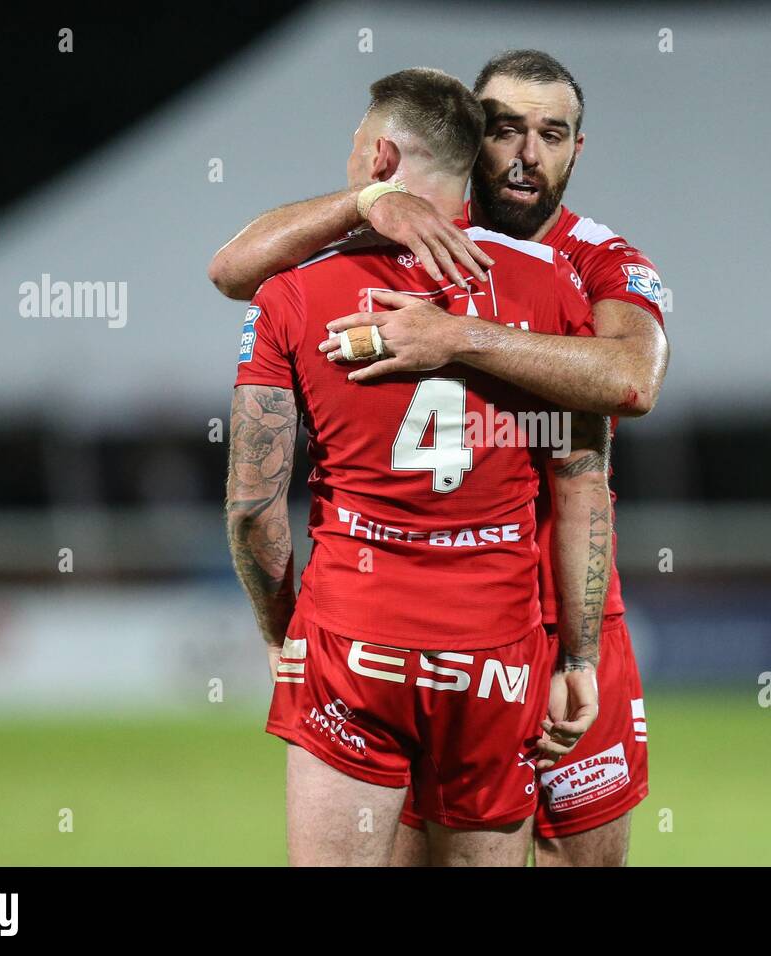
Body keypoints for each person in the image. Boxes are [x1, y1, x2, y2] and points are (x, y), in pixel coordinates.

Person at [210, 50, 667, 866]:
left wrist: (456, 336)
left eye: (551, 134)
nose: (526, 154)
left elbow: (631, 379)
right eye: (505, 130)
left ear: (576, 150)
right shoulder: (444, 249)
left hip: (537, 608)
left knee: (587, 859)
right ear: (471, 140)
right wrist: (370, 200)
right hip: (488, 622)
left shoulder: (587, 255)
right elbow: (231, 268)